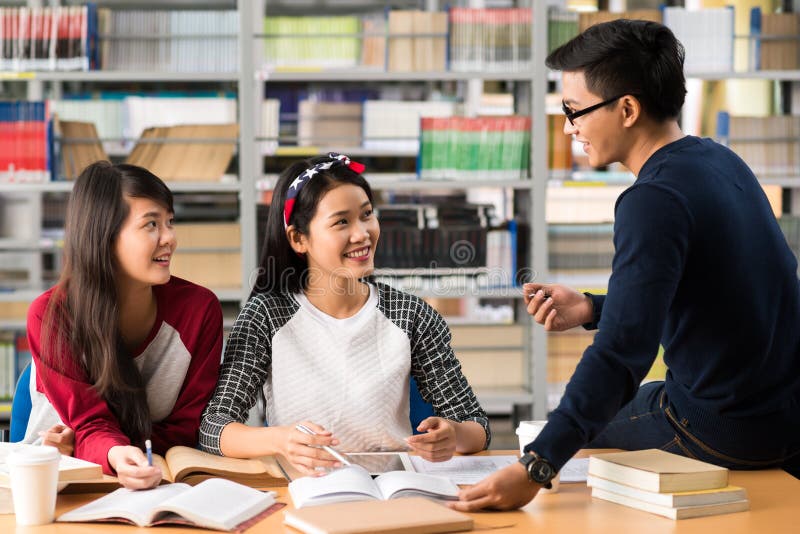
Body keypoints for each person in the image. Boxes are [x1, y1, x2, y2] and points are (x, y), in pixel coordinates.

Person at [452, 19, 800, 512]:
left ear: (628, 109)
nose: (570, 127)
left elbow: (622, 354)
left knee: (549, 430)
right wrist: (593, 308)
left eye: (574, 111)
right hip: (786, 420)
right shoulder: (721, 162)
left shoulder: (651, 199)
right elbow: (723, 291)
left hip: (723, 432)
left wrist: (536, 467)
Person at [199, 153, 489, 474]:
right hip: (304, 491)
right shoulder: (266, 315)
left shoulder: (412, 314)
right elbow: (214, 427)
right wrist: (280, 440)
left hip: (393, 489)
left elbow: (476, 425)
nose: (362, 233)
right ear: (298, 238)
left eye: (367, 215)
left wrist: (454, 436)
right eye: (341, 222)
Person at [26, 161, 223, 490]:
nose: (169, 238)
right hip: (59, 483)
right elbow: (88, 422)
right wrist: (106, 450)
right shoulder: (51, 316)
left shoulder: (199, 310)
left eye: (169, 223)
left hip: (155, 482)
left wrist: (96, 445)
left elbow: (188, 427)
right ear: (104, 236)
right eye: (151, 225)